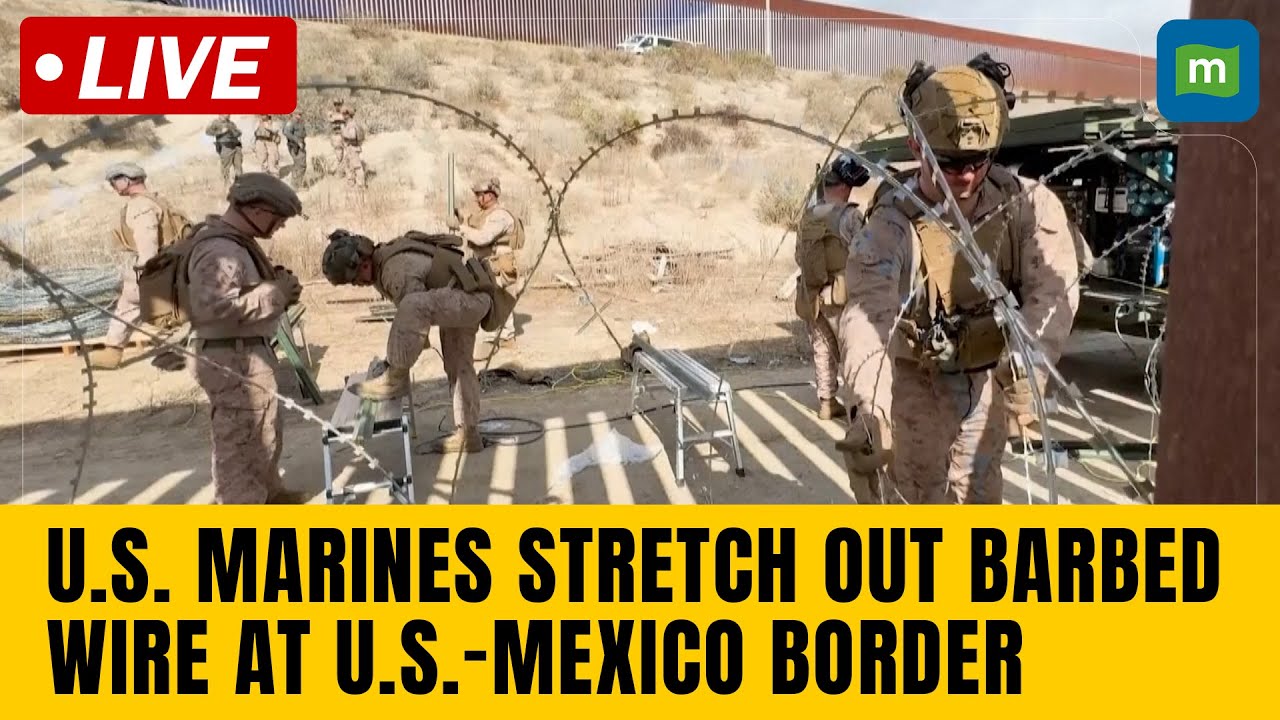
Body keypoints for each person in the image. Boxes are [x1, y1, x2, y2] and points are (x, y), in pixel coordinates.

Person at [836, 53, 1091, 505]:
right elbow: (867, 315)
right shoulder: (893, 222)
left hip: (987, 381)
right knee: (916, 500)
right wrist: (870, 407)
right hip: (916, 385)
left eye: (978, 160)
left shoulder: (1023, 204)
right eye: (951, 163)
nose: (967, 174)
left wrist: (1029, 362)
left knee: (980, 494)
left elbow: (1054, 288)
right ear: (917, 147)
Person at [320, 229, 516, 453]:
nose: (358, 285)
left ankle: (394, 380)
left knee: (412, 306)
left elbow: (414, 321)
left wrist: (395, 367)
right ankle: (469, 435)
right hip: (465, 296)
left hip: (467, 299)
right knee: (459, 367)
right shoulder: (385, 256)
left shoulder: (394, 270)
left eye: (355, 280)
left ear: (363, 264)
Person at [185, 173, 308, 504]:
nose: (280, 226)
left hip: (245, 353)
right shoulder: (219, 250)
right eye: (277, 218)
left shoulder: (236, 244)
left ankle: (268, 496)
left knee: (264, 431)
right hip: (230, 358)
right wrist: (276, 294)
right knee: (239, 445)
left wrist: (275, 286)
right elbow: (214, 309)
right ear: (256, 210)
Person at [91, 162, 192, 370]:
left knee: (135, 303)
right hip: (173, 262)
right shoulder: (156, 199)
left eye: (114, 181)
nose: (113, 186)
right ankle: (115, 350)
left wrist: (146, 271)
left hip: (157, 265)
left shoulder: (140, 206)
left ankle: (114, 351)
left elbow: (147, 240)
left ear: (125, 181)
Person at [793, 155, 869, 420]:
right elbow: (865, 255)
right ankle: (857, 407)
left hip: (812, 294)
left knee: (822, 349)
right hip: (841, 294)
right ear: (844, 186)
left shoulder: (808, 217)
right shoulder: (850, 217)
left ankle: (826, 402)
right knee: (852, 349)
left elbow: (798, 256)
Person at [448, 177, 524, 349]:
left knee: (498, 299)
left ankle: (498, 339)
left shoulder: (500, 215)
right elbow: (475, 223)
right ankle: (504, 337)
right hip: (492, 263)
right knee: (500, 299)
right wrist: (461, 219)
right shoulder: (488, 214)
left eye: (479, 194)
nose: (477, 198)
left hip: (500, 263)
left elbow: (483, 237)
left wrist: (460, 228)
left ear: (490, 195)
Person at [204, 115, 243, 185]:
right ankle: (226, 184)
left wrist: (237, 132)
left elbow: (238, 132)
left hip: (236, 146)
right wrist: (221, 132)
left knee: (238, 166)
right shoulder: (216, 122)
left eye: (229, 114)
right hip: (226, 146)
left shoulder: (231, 123)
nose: (228, 115)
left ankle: (239, 183)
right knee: (226, 167)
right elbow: (208, 131)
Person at [340, 106, 366, 187]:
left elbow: (352, 136)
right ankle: (351, 183)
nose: (343, 116)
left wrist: (343, 131)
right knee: (348, 165)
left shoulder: (351, 124)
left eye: (344, 114)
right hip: (350, 148)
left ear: (348, 115)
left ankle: (361, 185)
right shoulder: (350, 123)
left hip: (353, 148)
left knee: (357, 166)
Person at [282, 111, 308, 187]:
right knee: (300, 165)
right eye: (297, 114)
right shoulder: (291, 122)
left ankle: (297, 184)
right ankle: (296, 185)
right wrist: (297, 141)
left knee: (301, 165)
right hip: (294, 146)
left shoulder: (300, 122)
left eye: (300, 114)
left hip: (300, 146)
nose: (299, 116)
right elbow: (286, 132)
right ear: (293, 114)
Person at [327, 99, 347, 175]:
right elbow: (332, 119)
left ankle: (343, 170)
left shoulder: (343, 114)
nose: (337, 106)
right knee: (339, 156)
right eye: (336, 104)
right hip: (337, 136)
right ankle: (339, 172)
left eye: (339, 104)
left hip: (344, 135)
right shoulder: (332, 114)